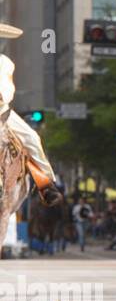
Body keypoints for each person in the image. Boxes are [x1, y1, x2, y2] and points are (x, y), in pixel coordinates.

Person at [0, 25, 63, 206]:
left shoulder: (4, 62)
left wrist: (1, 95)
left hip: (1, 111)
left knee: (31, 138)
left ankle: (46, 184)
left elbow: (7, 89)